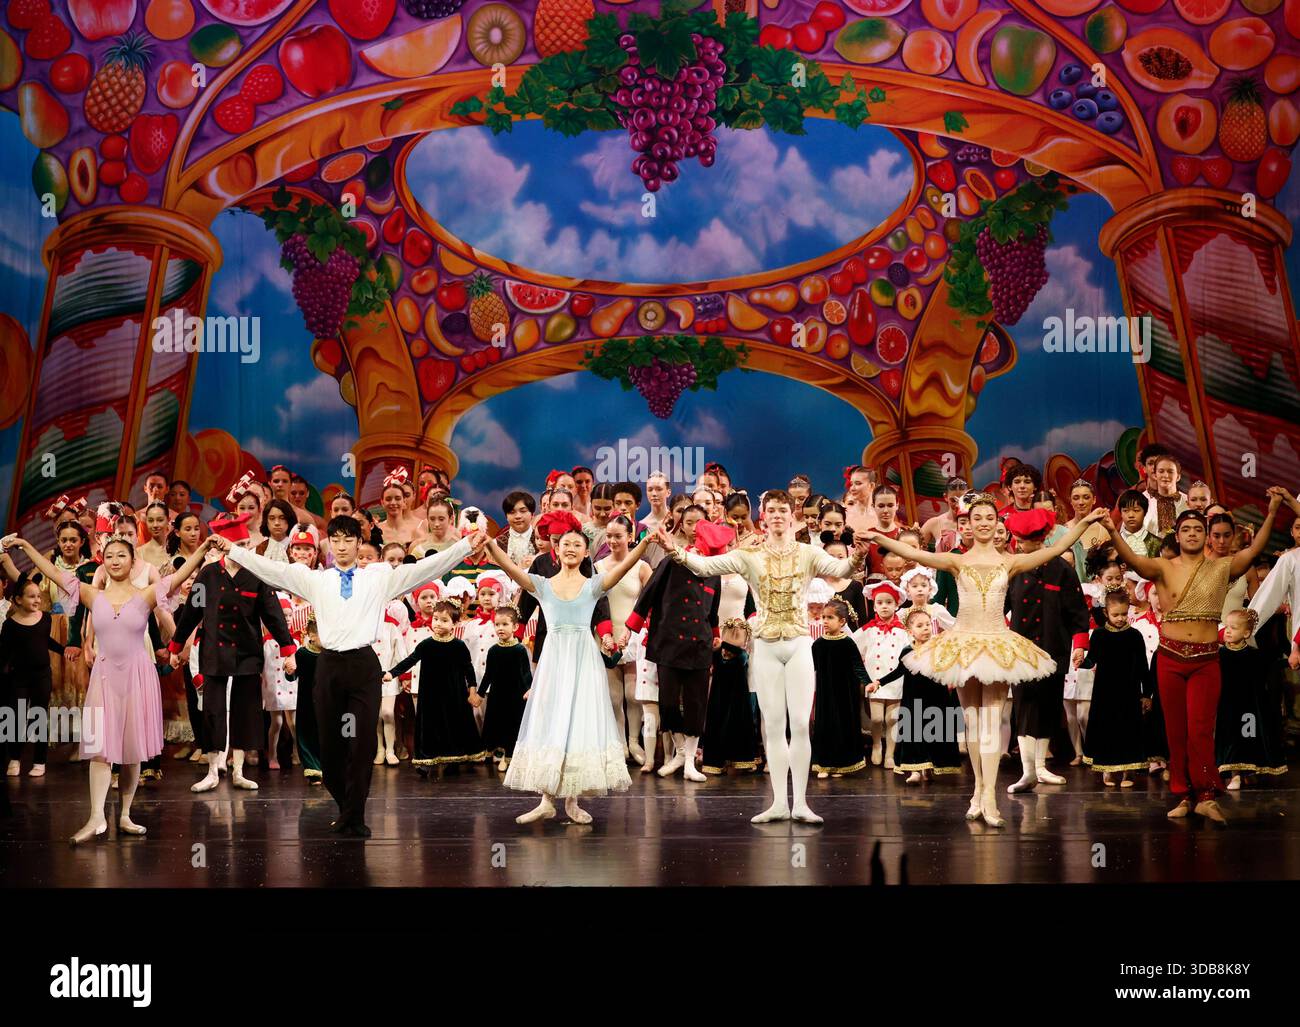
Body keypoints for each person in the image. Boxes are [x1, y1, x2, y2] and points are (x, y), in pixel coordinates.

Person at [209, 516, 481, 838]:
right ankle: (346, 807)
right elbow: (273, 570)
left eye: (347, 540)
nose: (341, 546)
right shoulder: (316, 580)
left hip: (363, 666)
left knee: (362, 744)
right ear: (329, 545)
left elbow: (424, 569)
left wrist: (465, 546)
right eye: (335, 539)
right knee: (331, 748)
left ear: (357, 543)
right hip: (329, 667)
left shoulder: (377, 580)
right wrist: (233, 551)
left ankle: (354, 815)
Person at [863, 499, 1108, 826]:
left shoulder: (1010, 562)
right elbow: (913, 554)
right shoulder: (955, 561)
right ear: (968, 522)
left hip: (995, 644)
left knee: (991, 723)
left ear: (997, 524)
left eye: (988, 518)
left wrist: (1085, 521)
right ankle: (978, 791)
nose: (982, 523)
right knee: (974, 723)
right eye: (976, 517)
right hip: (963, 643)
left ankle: (989, 797)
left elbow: (1058, 547)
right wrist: (878, 538)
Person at [655, 489, 868, 825]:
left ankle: (800, 802)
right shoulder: (748, 555)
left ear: (790, 514)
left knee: (799, 723)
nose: (778, 515)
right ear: (764, 516)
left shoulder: (808, 553)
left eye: (784, 510)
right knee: (773, 726)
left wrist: (857, 557)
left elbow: (840, 569)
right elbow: (705, 564)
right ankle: (779, 803)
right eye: (772, 510)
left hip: (797, 643)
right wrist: (674, 550)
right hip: (767, 645)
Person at [4, 532, 215, 843]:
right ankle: (96, 817)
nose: (115, 560)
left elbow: (180, 576)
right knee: (101, 751)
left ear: (132, 562)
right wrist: (24, 546)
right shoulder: (91, 594)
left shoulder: (146, 595)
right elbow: (52, 573)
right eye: (110, 555)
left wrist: (205, 547)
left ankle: (126, 815)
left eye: (122, 555)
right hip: (104, 679)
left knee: (132, 751)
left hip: (137, 677)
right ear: (103, 560)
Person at [1104, 488, 1286, 822]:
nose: (1191, 533)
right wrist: (1113, 530)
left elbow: (1256, 549)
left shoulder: (1221, 568)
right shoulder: (1162, 566)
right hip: (1170, 659)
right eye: (1186, 529)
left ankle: (1205, 795)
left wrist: (1272, 511)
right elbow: (1132, 561)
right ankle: (1183, 794)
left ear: (1206, 536)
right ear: (1178, 534)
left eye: (1198, 530)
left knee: (1200, 729)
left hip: (1205, 661)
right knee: (1175, 730)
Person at [482, 524, 652, 824]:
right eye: (565, 544)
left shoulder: (593, 585)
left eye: (577, 544)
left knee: (578, 721)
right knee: (552, 719)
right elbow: (509, 567)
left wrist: (645, 542)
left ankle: (572, 800)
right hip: (555, 659)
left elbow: (626, 565)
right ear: (556, 551)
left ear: (586, 552)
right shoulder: (542, 585)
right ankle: (546, 799)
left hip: (584, 659)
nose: (571, 547)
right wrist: (490, 544)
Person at [166, 514, 297, 794]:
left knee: (245, 711)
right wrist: (176, 646)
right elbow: (191, 613)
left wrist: (288, 650)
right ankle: (213, 770)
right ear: (219, 547)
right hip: (214, 652)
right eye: (230, 543)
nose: (237, 548)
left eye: (241, 542)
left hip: (248, 653)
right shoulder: (208, 574)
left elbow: (273, 616)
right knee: (213, 711)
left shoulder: (256, 575)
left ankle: (238, 770)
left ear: (247, 543)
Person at [627, 509, 722, 782]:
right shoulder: (672, 561)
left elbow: (712, 609)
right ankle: (680, 751)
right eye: (689, 523)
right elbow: (649, 593)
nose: (694, 529)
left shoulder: (714, 569)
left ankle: (689, 762)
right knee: (667, 705)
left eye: (700, 524)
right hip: (669, 641)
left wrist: (715, 633)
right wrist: (631, 628)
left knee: (696, 705)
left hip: (700, 645)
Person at [1003, 508, 1091, 793]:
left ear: (1042, 537)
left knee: (1049, 707)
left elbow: (1078, 612)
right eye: (1019, 538)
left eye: (1027, 540)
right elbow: (998, 605)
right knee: (1025, 706)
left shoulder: (1061, 569)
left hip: (1055, 649)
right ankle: (1028, 770)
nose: (1022, 544)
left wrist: (1079, 646)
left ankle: (1040, 767)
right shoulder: (1013, 568)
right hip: (1021, 650)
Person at [385, 599, 487, 770]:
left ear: (455, 624)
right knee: (431, 725)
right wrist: (392, 673)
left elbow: (469, 671)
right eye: (436, 619)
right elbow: (410, 660)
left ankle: (453, 758)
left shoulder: (459, 646)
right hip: (431, 694)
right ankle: (428, 758)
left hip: (454, 695)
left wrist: (472, 692)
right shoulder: (427, 645)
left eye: (444, 620)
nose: (438, 624)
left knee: (453, 724)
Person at [878, 607, 964, 783]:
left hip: (936, 698)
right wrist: (879, 682)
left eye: (927, 624)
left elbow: (947, 665)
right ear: (910, 631)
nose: (926, 628)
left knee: (934, 733)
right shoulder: (907, 651)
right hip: (914, 699)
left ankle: (930, 767)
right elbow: (898, 672)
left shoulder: (937, 648)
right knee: (914, 733)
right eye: (920, 625)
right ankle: (915, 770)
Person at [1079, 588, 1153, 787]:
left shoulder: (1134, 636)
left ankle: (1128, 772)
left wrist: (1146, 694)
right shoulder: (1100, 635)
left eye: (1123, 614)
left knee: (1128, 730)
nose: (1120, 618)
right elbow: (1092, 659)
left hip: (1129, 692)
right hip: (1105, 692)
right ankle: (1107, 770)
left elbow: (1142, 667)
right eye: (1115, 614)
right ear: (1106, 613)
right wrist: (1081, 661)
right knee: (1107, 730)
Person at [597, 515, 652, 764]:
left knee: (633, 694)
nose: (612, 540)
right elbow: (596, 605)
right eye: (609, 536)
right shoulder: (598, 567)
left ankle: (634, 741)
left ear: (630, 537)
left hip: (633, 635)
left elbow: (650, 603)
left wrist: (636, 631)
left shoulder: (641, 566)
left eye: (618, 536)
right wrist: (605, 635)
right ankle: (619, 743)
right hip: (607, 635)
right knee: (614, 696)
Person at [1216, 608, 1288, 789]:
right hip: (1227, 706)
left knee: (1247, 737)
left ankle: (1247, 770)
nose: (1228, 631)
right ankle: (1234, 775)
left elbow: (1265, 674)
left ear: (1246, 633)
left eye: (1234, 627)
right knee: (1230, 738)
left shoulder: (1254, 655)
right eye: (1227, 627)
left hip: (1248, 708)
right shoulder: (1219, 655)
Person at [1, 573, 65, 779]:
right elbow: (4, 652)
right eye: (31, 596)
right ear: (18, 600)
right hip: (18, 677)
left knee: (39, 716)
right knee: (16, 718)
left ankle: (39, 761)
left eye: (38, 596)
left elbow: (46, 641)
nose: (37, 600)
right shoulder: (10, 625)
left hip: (41, 675)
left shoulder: (45, 618)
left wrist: (65, 650)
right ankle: (15, 758)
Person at [811, 600, 868, 778]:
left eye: (830, 617)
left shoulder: (848, 643)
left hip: (845, 693)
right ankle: (825, 764)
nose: (825, 621)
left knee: (843, 725)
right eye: (823, 617)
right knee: (825, 724)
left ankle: (842, 764)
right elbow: (810, 667)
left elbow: (858, 666)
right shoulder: (818, 644)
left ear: (842, 621)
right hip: (825, 692)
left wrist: (868, 682)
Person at [858, 581, 909, 770]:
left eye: (889, 602)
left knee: (892, 719)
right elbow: (852, 647)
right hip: (875, 681)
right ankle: (877, 744)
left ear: (896, 605)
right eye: (880, 602)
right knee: (877, 719)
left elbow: (912, 651)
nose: (884, 606)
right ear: (874, 606)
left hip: (896, 681)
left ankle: (890, 754)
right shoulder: (868, 630)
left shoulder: (903, 631)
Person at [700, 617, 759, 775]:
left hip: (737, 700)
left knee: (738, 726)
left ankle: (743, 760)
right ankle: (716, 762)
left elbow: (738, 653)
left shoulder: (742, 656)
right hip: (718, 698)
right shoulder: (718, 654)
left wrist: (723, 643)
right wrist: (716, 646)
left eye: (737, 636)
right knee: (717, 726)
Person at [477, 605, 532, 772]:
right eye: (497, 624)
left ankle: (509, 756)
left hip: (515, 695)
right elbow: (489, 674)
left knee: (512, 724)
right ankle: (493, 751)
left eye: (504, 624)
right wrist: (480, 693)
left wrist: (530, 689)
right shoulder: (494, 650)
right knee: (495, 722)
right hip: (497, 695)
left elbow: (525, 673)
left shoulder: (520, 649)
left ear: (515, 627)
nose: (500, 628)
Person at [920, 476, 970, 553]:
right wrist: (913, 536)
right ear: (945, 497)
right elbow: (916, 551)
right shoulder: (934, 523)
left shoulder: (976, 522)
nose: (958, 504)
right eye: (953, 500)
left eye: (963, 499)